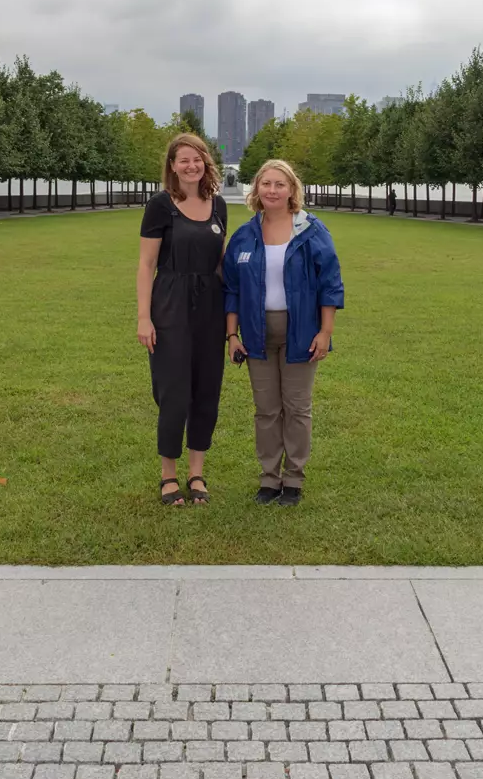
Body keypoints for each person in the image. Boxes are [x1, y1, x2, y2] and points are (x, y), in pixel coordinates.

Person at [224, 158, 344, 505]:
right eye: (266, 184)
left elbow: (330, 284)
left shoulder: (311, 231)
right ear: (256, 189)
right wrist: (232, 336)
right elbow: (230, 288)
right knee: (266, 410)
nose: (272, 190)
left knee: (296, 408)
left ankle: (293, 479)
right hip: (257, 334)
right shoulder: (245, 235)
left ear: (292, 190)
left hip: (302, 332)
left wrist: (325, 332)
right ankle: (269, 479)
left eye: (280, 184)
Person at [136, 132, 228, 505]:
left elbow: (221, 263)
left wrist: (231, 321)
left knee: (206, 390)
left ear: (205, 163)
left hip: (211, 306)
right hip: (171, 303)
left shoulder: (218, 205)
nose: (191, 165)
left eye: (197, 159)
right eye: (183, 160)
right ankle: (168, 476)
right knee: (174, 392)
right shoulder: (161, 206)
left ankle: (197, 473)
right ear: (172, 166)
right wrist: (144, 317)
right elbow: (146, 264)